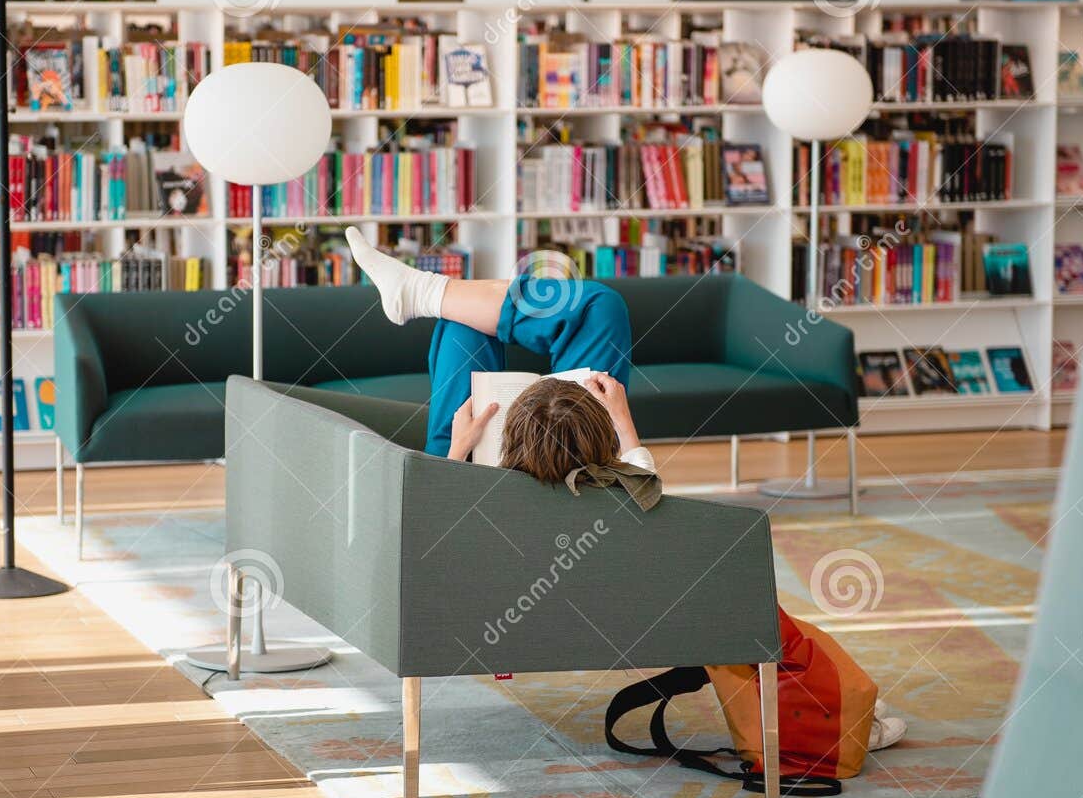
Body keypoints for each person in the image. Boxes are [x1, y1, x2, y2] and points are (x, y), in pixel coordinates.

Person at [344, 228, 907, 751]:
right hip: (564, 480)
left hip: (485, 481)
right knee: (586, 306)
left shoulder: (463, 486)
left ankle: (422, 291)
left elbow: (437, 528)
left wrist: (458, 451)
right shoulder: (622, 501)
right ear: (604, 440)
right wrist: (620, 425)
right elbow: (648, 498)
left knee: (469, 322)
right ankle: (423, 290)